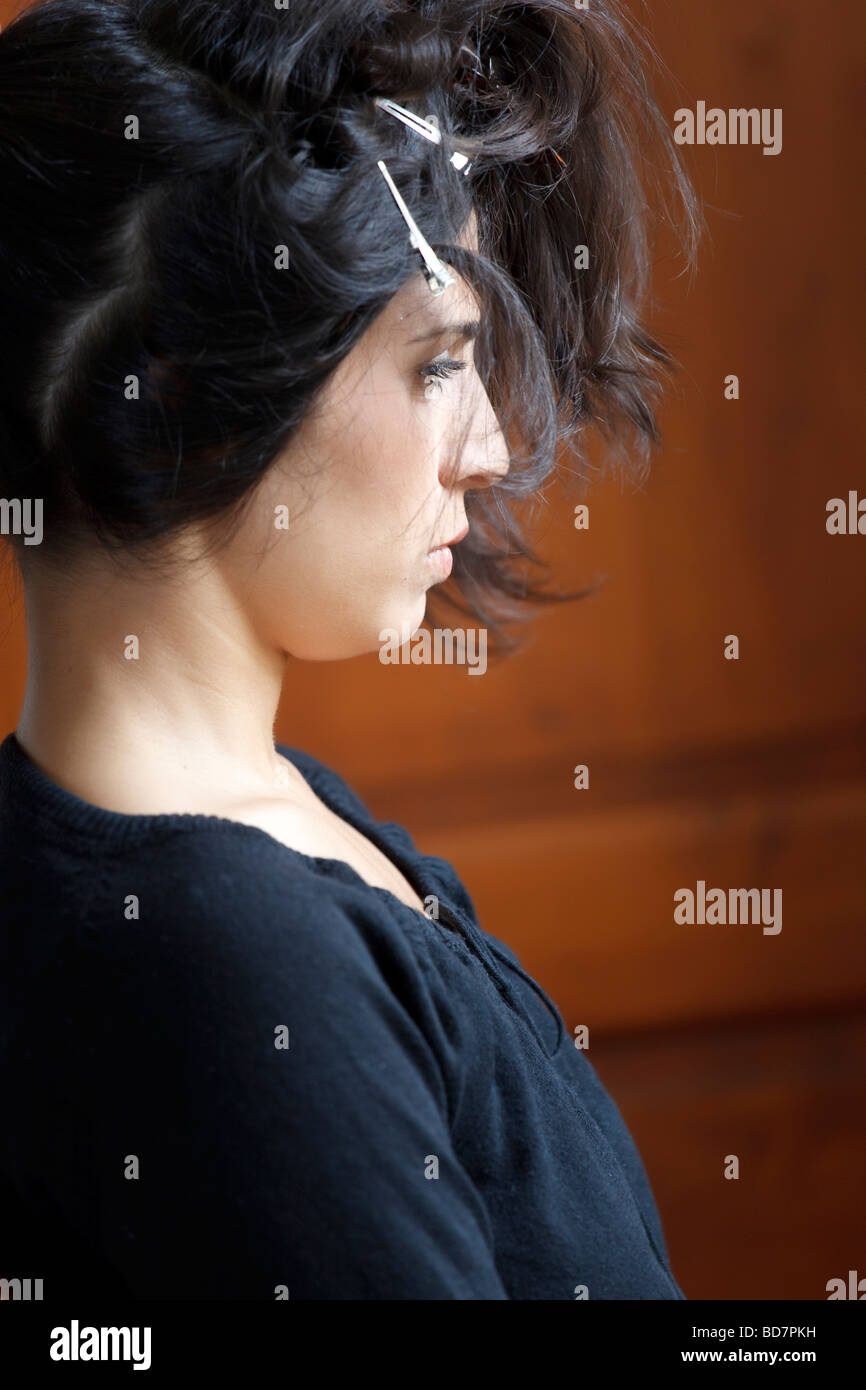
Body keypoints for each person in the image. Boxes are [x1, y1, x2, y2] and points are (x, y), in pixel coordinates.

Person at [0, 0, 698, 1299]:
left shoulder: (262, 834)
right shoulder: (219, 968)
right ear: (194, 389)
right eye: (439, 363)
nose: (488, 446)